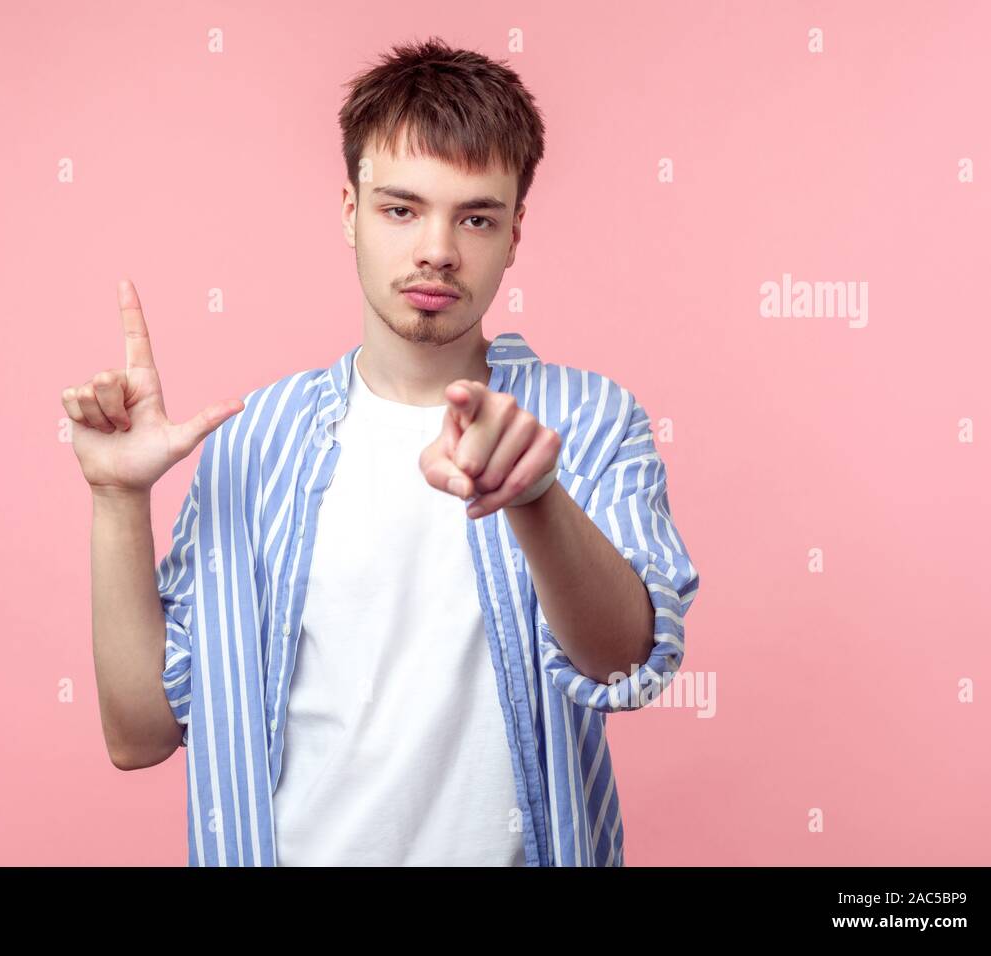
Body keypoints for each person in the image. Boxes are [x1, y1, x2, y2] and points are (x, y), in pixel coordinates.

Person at [61, 37, 699, 866]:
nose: (438, 249)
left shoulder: (593, 419)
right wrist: (117, 499)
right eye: (401, 209)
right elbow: (139, 735)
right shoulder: (254, 442)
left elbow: (628, 671)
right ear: (349, 211)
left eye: (476, 217)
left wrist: (535, 496)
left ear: (515, 234)